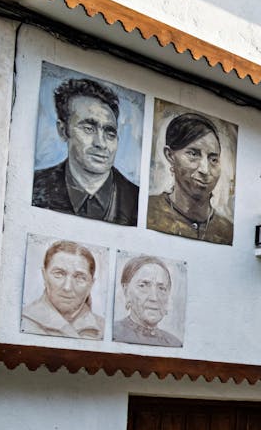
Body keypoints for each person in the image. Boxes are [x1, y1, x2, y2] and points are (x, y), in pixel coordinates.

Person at [32, 77, 139, 225]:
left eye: (110, 134)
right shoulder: (34, 187)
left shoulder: (136, 200)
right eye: (88, 129)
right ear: (63, 131)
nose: (101, 144)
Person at [147, 112, 233, 244]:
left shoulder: (227, 230)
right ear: (170, 155)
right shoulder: (149, 211)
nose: (205, 170)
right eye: (193, 154)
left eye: (213, 159)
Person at [21, 240, 105, 339]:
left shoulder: (103, 328)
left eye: (79, 277)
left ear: (91, 284)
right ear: (44, 275)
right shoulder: (23, 320)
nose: (67, 287)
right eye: (59, 274)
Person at [112, 255, 182, 346]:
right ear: (126, 291)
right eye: (143, 286)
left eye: (161, 288)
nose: (154, 298)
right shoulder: (113, 333)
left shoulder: (174, 343)